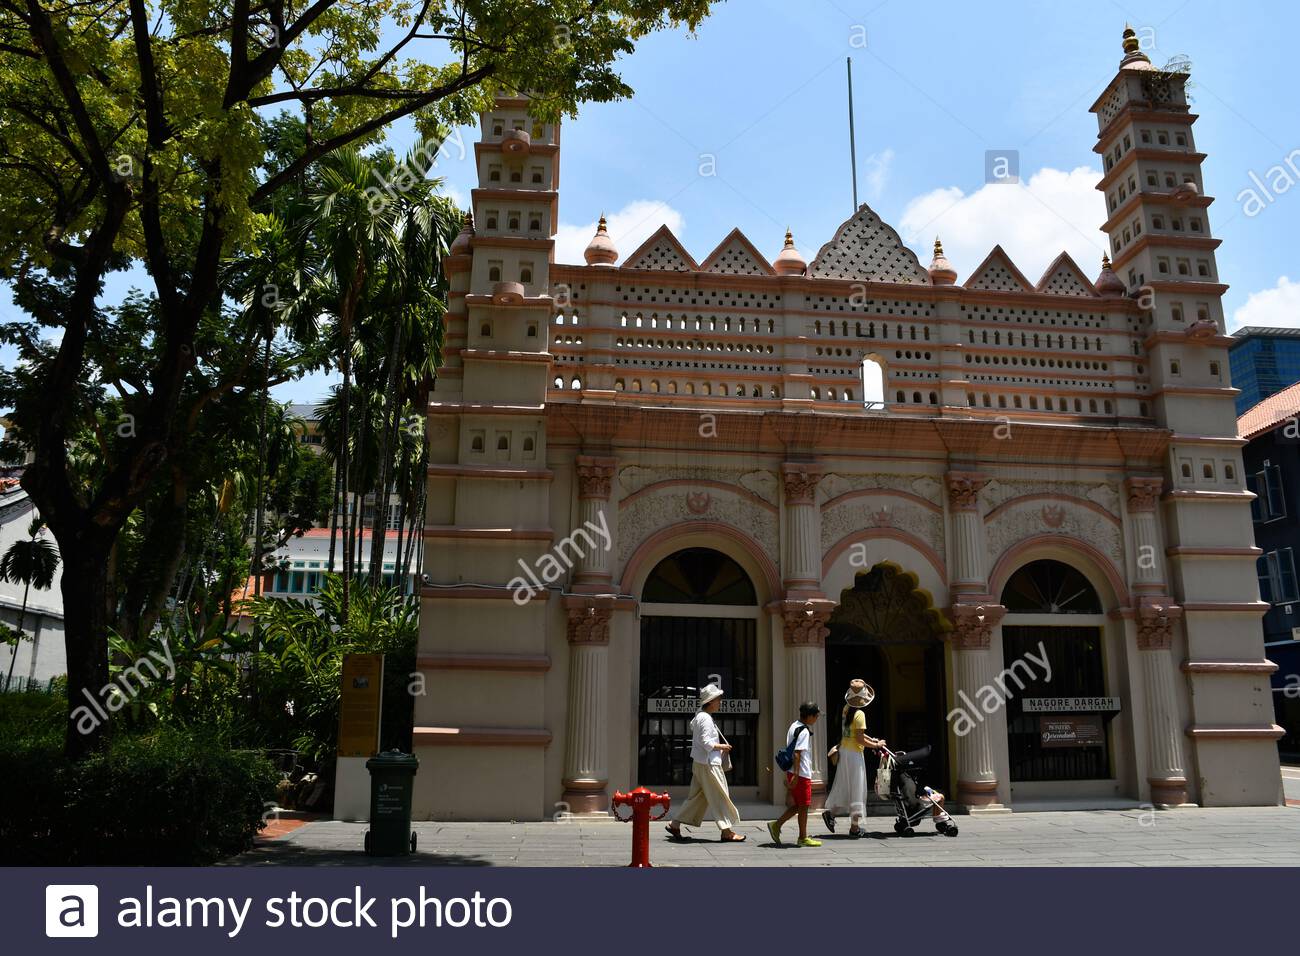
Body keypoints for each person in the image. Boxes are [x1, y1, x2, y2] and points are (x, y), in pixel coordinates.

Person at [665, 683, 746, 843]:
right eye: (718, 699)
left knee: (697, 797)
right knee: (720, 795)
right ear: (711, 701)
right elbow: (706, 742)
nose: (720, 701)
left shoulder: (700, 716)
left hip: (701, 763)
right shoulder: (706, 718)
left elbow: (702, 740)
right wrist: (722, 747)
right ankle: (726, 832)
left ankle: (675, 824)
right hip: (709, 764)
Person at [821, 679, 886, 838]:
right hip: (855, 755)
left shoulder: (846, 709)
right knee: (857, 789)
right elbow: (859, 739)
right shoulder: (860, 714)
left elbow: (855, 734)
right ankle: (854, 828)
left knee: (844, 786)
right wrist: (876, 745)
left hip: (844, 752)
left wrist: (873, 740)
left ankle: (831, 813)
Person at [767, 701, 821, 847]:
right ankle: (802, 837)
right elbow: (797, 754)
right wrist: (797, 776)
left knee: (799, 805)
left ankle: (776, 825)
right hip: (801, 774)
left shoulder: (794, 725)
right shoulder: (803, 731)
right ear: (809, 716)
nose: (817, 718)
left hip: (794, 772)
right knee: (804, 805)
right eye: (816, 716)